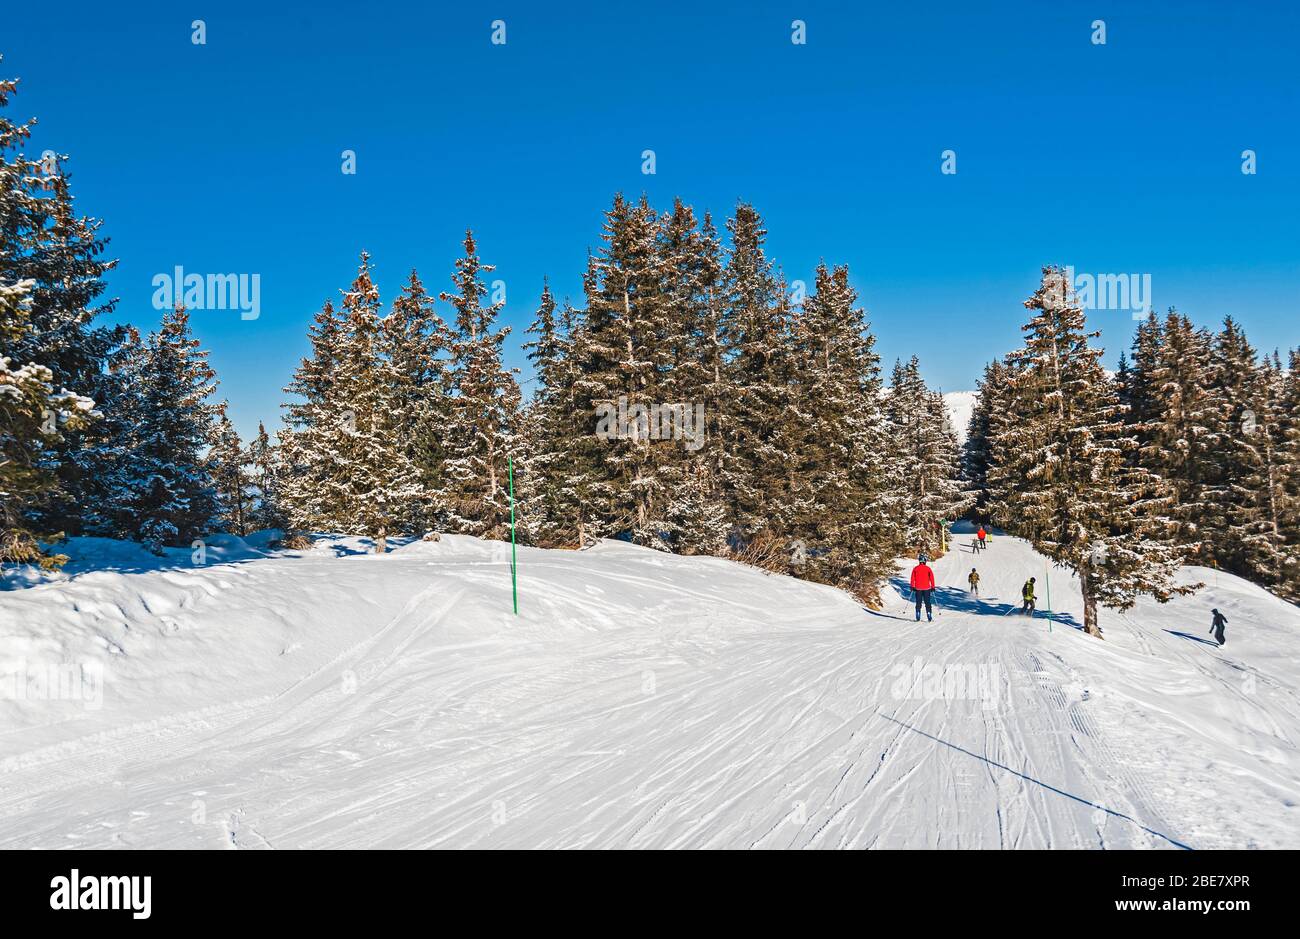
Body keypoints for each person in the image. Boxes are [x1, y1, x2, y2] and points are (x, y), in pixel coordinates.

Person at [910, 554, 936, 622]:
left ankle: (918, 613)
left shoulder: (915, 568)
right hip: (926, 588)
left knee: (918, 602)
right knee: (927, 602)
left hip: (918, 588)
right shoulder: (928, 569)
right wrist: (933, 587)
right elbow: (932, 578)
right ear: (925, 561)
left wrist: (912, 586)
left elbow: (912, 578)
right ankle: (929, 613)